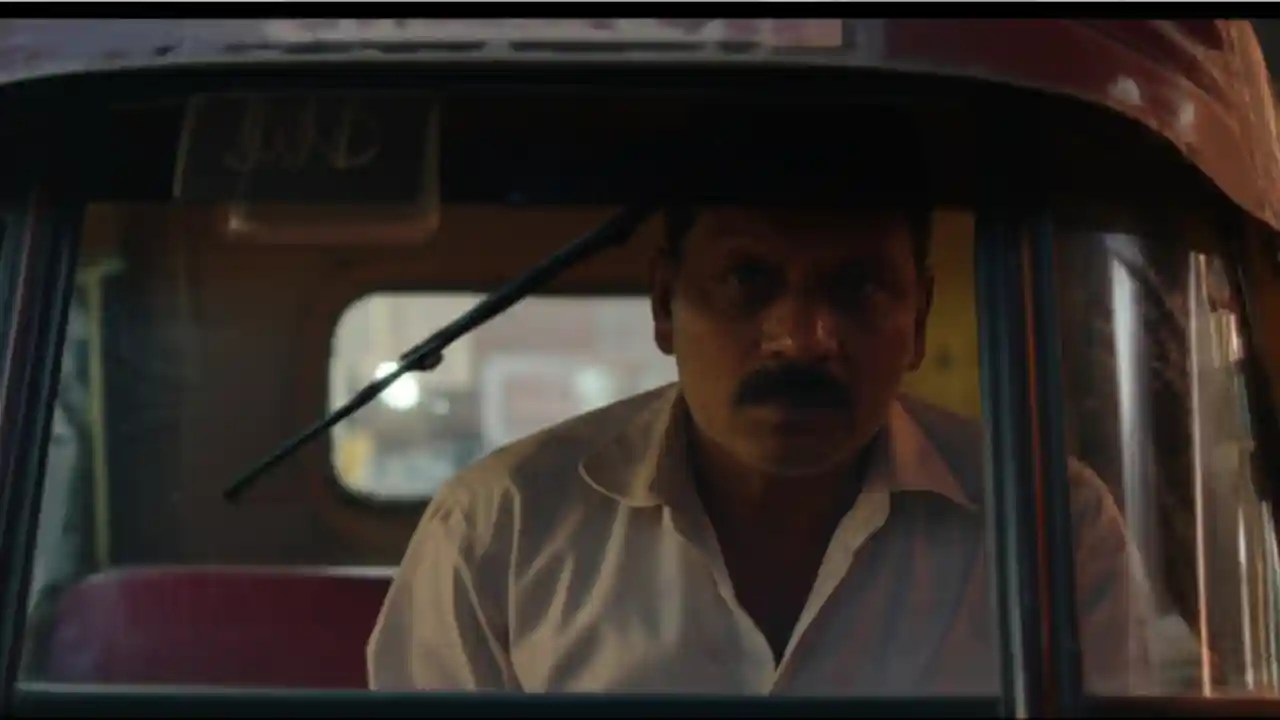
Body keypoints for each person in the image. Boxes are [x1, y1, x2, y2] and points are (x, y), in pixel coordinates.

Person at [366, 202, 1153, 695]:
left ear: (918, 317)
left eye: (856, 288)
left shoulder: (1053, 528)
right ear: (664, 303)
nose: (801, 339)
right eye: (747, 280)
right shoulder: (498, 533)